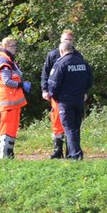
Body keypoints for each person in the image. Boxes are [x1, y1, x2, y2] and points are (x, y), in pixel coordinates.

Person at [46, 32, 93, 160]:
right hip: (79, 100)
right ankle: (72, 153)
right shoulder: (82, 62)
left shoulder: (60, 64)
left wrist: (54, 96)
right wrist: (83, 92)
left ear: (61, 51)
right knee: (76, 128)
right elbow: (89, 81)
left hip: (65, 101)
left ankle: (76, 155)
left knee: (69, 128)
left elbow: (53, 84)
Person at [39, 30, 76, 159]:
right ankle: (57, 149)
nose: (67, 42)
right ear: (60, 39)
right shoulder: (53, 55)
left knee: (71, 123)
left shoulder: (77, 55)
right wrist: (44, 90)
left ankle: (70, 151)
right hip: (56, 94)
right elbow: (45, 73)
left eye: (70, 40)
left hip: (71, 95)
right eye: (65, 39)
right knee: (56, 122)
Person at [0, 37, 31, 159]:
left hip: (13, 100)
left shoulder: (10, 61)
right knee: (7, 127)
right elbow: (6, 81)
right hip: (7, 100)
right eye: (12, 46)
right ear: (6, 47)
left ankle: (9, 154)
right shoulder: (5, 61)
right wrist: (21, 85)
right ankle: (4, 155)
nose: (15, 48)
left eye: (15, 46)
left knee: (12, 127)